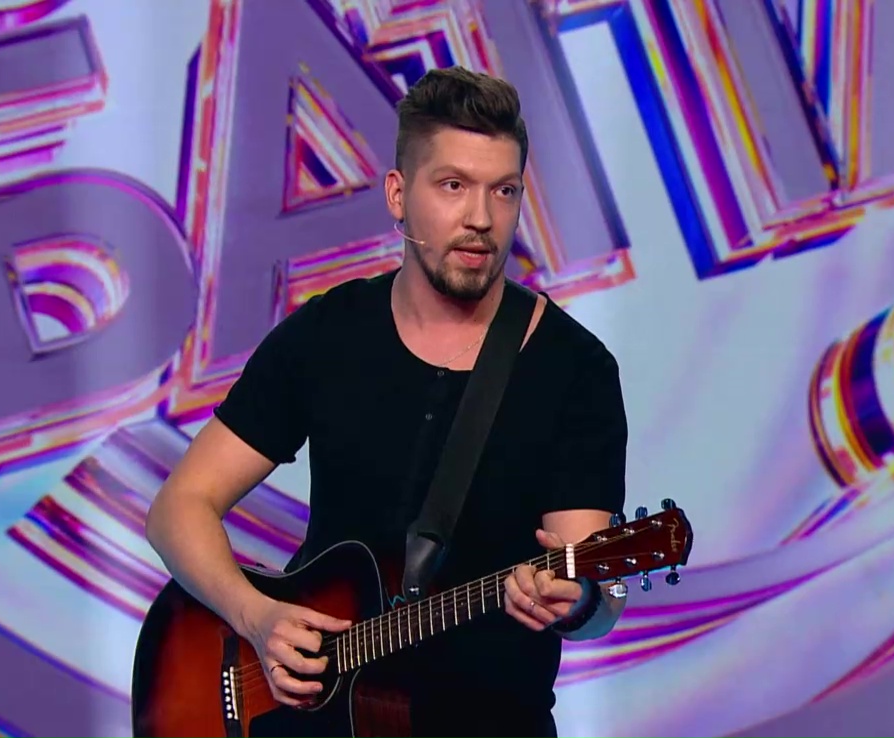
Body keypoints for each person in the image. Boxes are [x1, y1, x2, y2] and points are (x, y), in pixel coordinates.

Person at [144, 66, 629, 737]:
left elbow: (593, 583)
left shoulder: (574, 369)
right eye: (453, 186)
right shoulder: (327, 333)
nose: (481, 219)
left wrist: (576, 601)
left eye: (504, 190)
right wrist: (255, 617)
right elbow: (178, 508)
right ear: (398, 195)